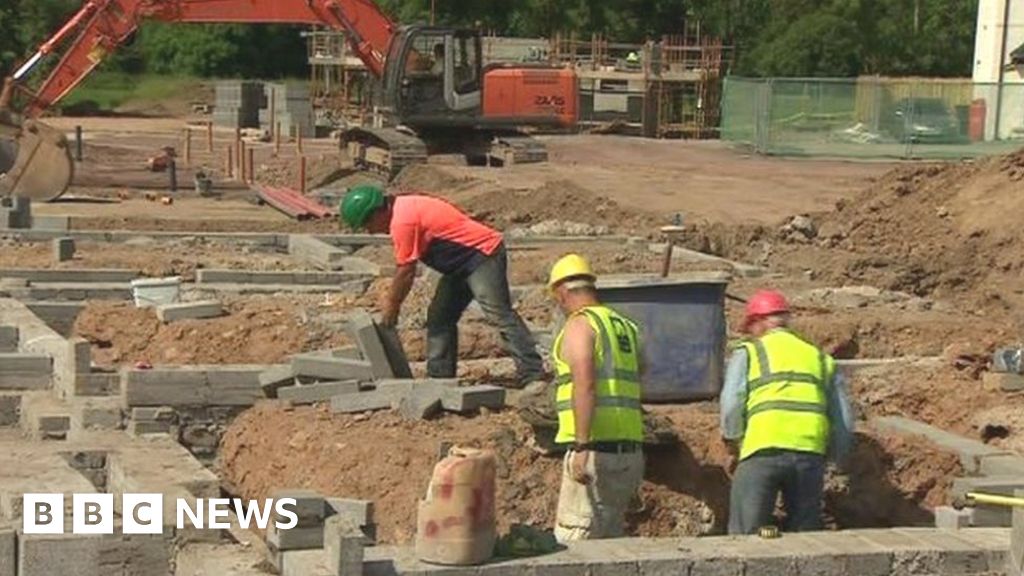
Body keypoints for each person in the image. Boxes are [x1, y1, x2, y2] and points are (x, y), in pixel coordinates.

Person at [340, 185, 544, 386]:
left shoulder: (403, 221)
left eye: (367, 225)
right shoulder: (402, 208)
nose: (371, 231)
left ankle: (532, 374)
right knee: (440, 317)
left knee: (499, 315)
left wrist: (392, 306)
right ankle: (439, 380)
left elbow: (406, 271)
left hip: (482, 254)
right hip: (460, 265)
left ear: (376, 213)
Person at [720, 289, 855, 535]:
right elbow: (844, 420)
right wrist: (834, 458)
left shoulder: (750, 352)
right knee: (805, 540)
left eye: (750, 328)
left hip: (762, 450)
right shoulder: (819, 357)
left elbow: (731, 403)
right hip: (809, 455)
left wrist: (733, 440)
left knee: (745, 536)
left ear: (757, 322)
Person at [547, 254, 645, 542]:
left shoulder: (580, 325)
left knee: (573, 543)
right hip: (630, 452)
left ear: (562, 292)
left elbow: (585, 383)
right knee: (608, 542)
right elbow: (643, 373)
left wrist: (581, 444)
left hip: (594, 452)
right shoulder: (626, 327)